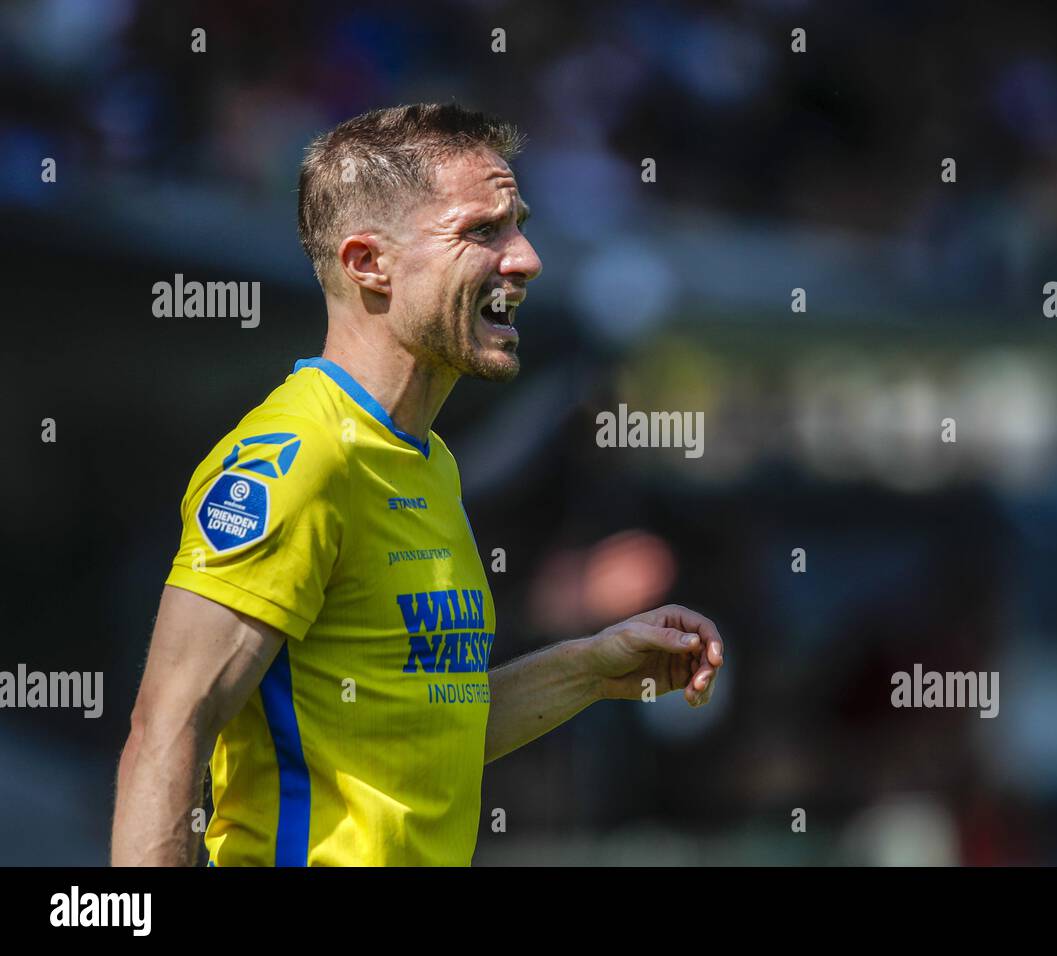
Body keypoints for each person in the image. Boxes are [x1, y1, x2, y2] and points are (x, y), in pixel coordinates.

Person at [110, 103, 724, 866]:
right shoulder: (297, 459)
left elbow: (421, 732)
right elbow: (168, 729)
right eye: (482, 231)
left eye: (519, 226)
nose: (526, 259)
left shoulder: (427, 460)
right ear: (369, 262)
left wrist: (588, 668)